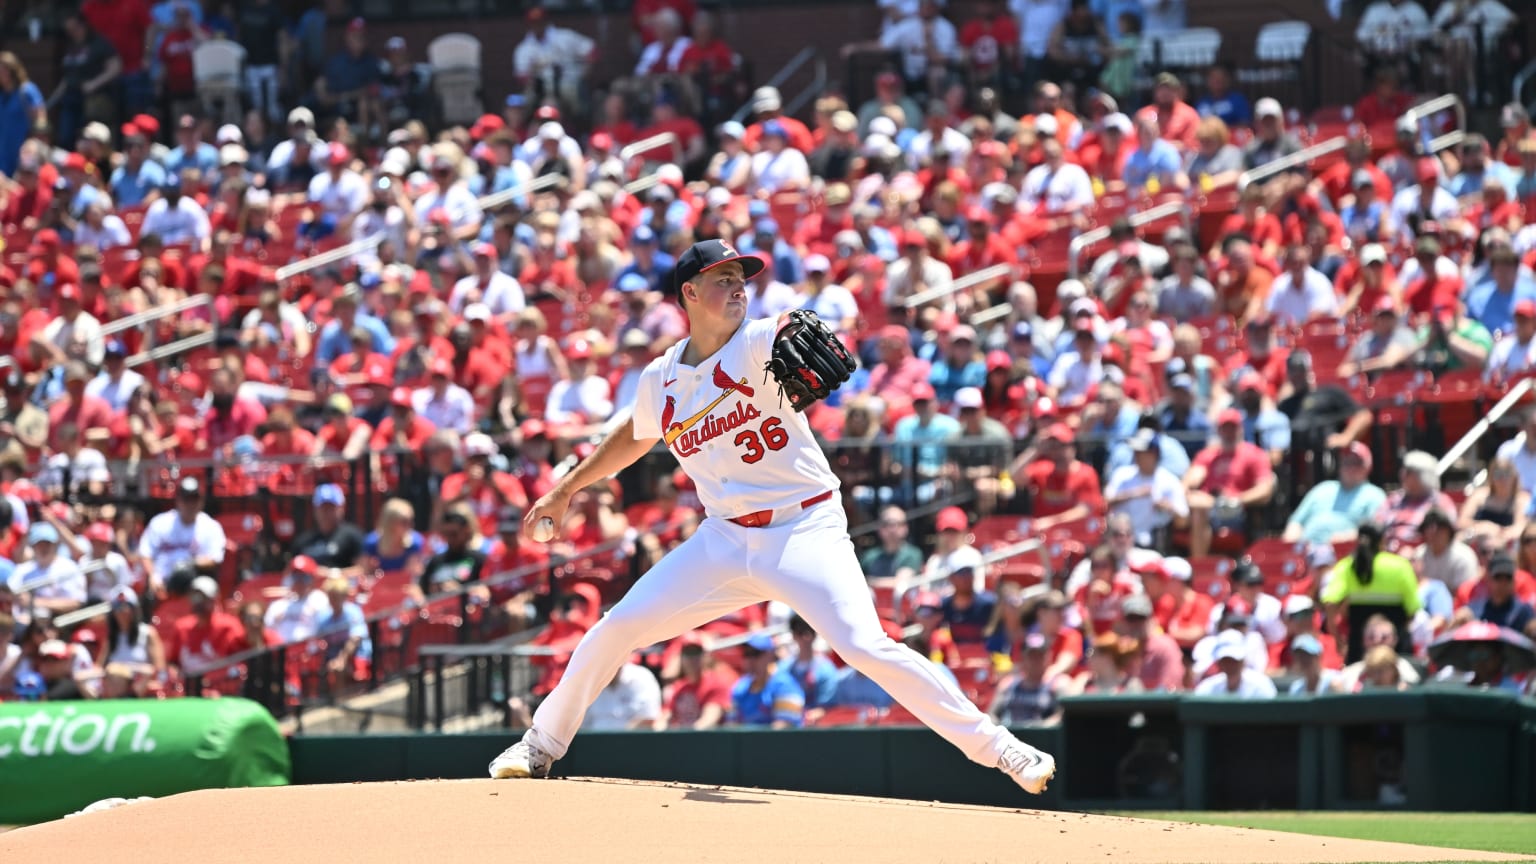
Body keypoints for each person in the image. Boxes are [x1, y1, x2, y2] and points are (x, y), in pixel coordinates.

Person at [488, 239, 1055, 793]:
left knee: (864, 645)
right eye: (723, 281)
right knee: (615, 629)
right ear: (689, 292)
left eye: (742, 280)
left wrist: (791, 328)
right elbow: (633, 435)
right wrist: (566, 488)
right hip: (724, 541)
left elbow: (786, 325)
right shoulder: (660, 378)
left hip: (804, 528)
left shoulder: (757, 342)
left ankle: (1000, 748)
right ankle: (539, 745)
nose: (738, 289)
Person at [1321, 523, 1422, 663]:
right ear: (1382, 541)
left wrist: (1338, 639)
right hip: (1397, 651)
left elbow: (1330, 603)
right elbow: (1413, 609)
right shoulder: (1400, 566)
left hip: (1359, 652)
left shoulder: (1346, 566)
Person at [1281, 441, 1386, 545]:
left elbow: (1376, 531)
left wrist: (1346, 538)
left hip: (1344, 553)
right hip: (1304, 551)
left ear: (1368, 467)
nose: (1350, 467)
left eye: (1356, 462)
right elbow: (1296, 522)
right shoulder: (1322, 488)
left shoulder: (1374, 495)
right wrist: (1290, 542)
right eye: (1346, 461)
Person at [138, 476, 225, 593]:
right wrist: (153, 575)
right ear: (178, 500)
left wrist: (190, 563)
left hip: (195, 580)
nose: (190, 504)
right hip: (162, 580)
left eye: (194, 499)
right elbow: (145, 553)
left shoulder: (211, 526)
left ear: (201, 501)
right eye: (186, 499)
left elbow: (215, 559)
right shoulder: (160, 522)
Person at [1192, 635, 1278, 698]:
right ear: (1219, 662)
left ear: (1243, 660)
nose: (1230, 664)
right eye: (1226, 660)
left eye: (1234, 660)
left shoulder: (1261, 684)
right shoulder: (1208, 686)